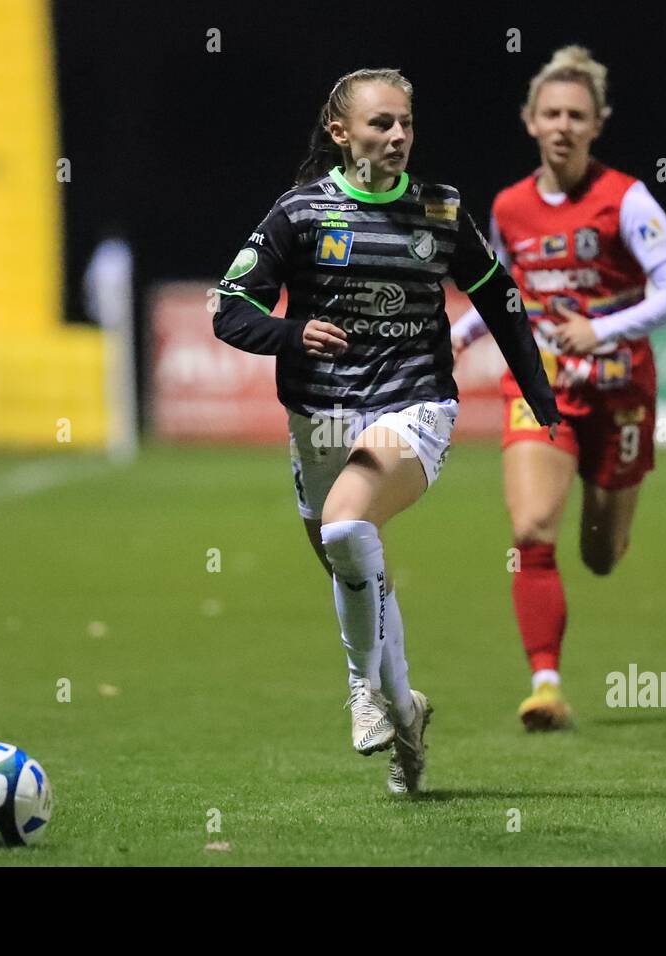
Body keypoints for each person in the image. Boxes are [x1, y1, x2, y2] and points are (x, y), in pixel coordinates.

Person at [211, 68, 560, 793]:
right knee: (357, 564)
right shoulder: (301, 213)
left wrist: (540, 395)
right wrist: (292, 331)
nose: (398, 136)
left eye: (405, 123)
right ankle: (405, 714)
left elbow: (499, 298)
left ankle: (364, 694)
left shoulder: (438, 208)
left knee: (345, 529)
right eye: (380, 124)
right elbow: (231, 307)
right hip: (321, 420)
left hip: (414, 405)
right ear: (341, 133)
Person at [450, 46, 666, 730]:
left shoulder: (626, 199)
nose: (562, 125)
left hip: (619, 390)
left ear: (598, 124)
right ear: (530, 120)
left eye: (577, 115)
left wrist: (606, 328)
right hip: (544, 383)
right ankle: (546, 685)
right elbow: (507, 293)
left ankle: (610, 515)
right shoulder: (508, 206)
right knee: (530, 528)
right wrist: (460, 335)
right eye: (551, 112)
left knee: (601, 554)